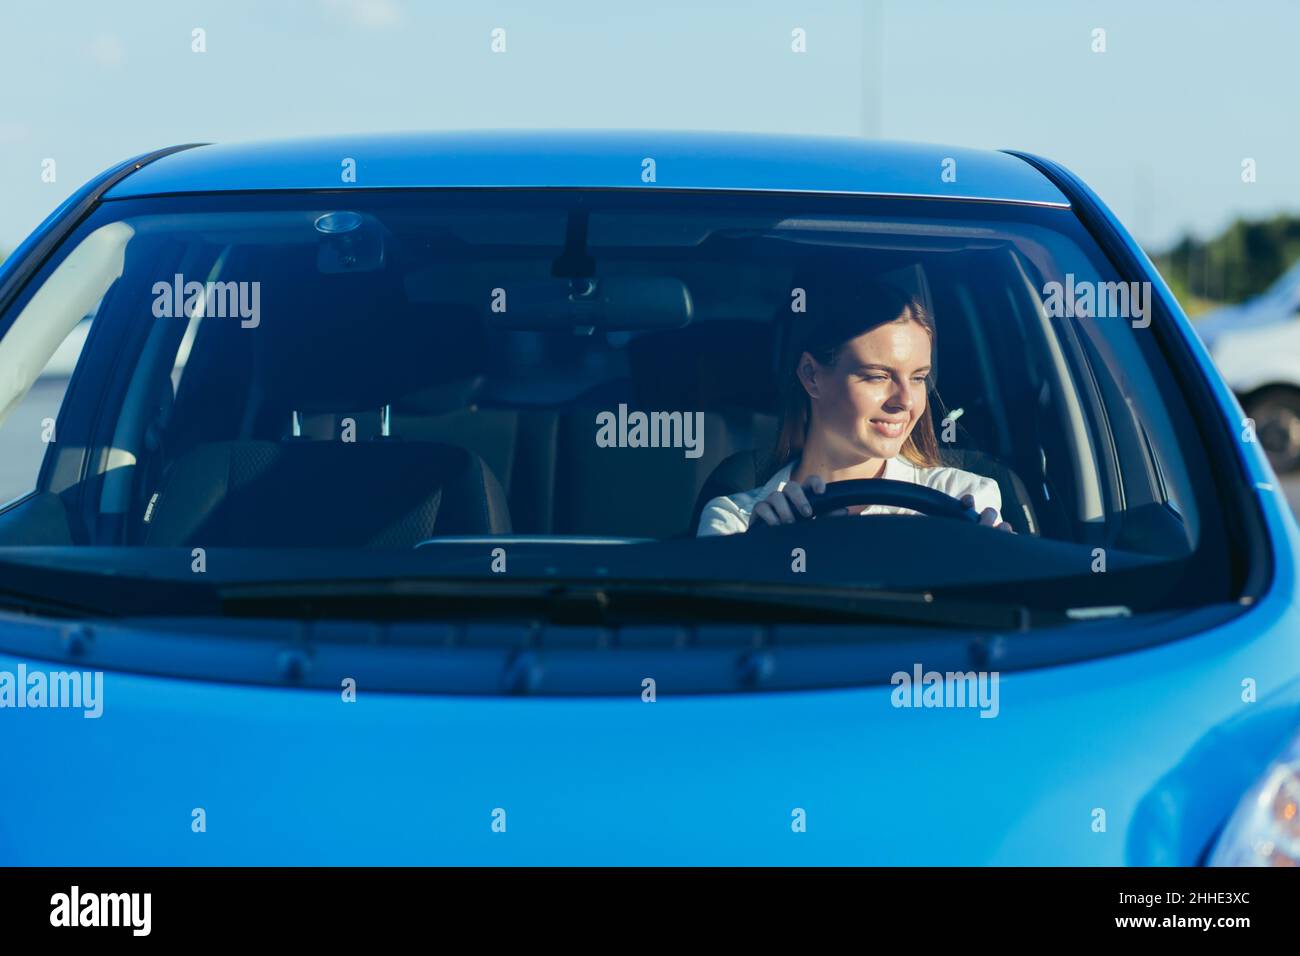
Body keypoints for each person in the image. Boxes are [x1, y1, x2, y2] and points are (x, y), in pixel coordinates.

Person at [697, 280, 1013, 535]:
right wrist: (758, 556)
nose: (905, 400)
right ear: (811, 375)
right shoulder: (737, 522)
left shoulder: (962, 499)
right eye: (877, 377)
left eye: (918, 378)